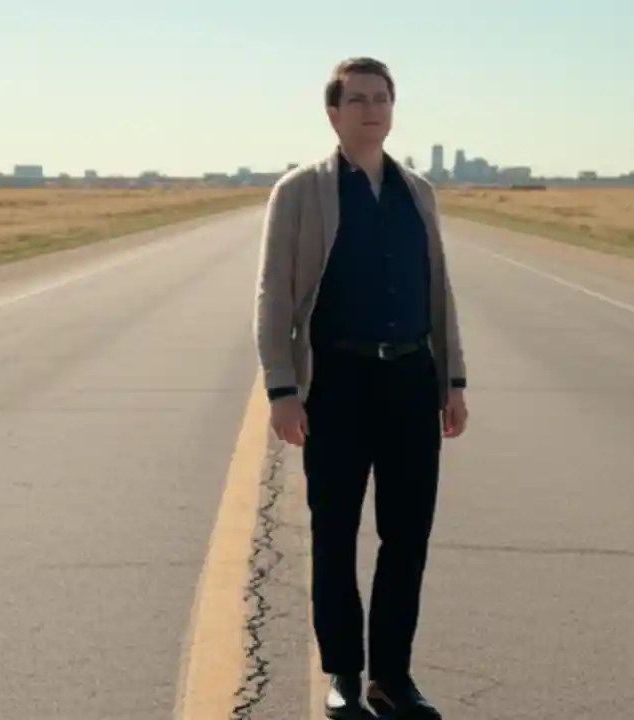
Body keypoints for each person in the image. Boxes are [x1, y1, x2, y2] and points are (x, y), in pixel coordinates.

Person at [253, 56, 468, 720]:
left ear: (392, 109)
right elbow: (274, 296)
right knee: (336, 534)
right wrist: (282, 389)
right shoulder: (300, 192)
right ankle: (345, 674)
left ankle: (392, 678)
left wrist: (451, 380)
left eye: (381, 98)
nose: (371, 109)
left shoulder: (417, 192)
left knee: (408, 537)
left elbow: (440, 291)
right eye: (358, 99)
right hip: (337, 384)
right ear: (334, 113)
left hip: (409, 380)